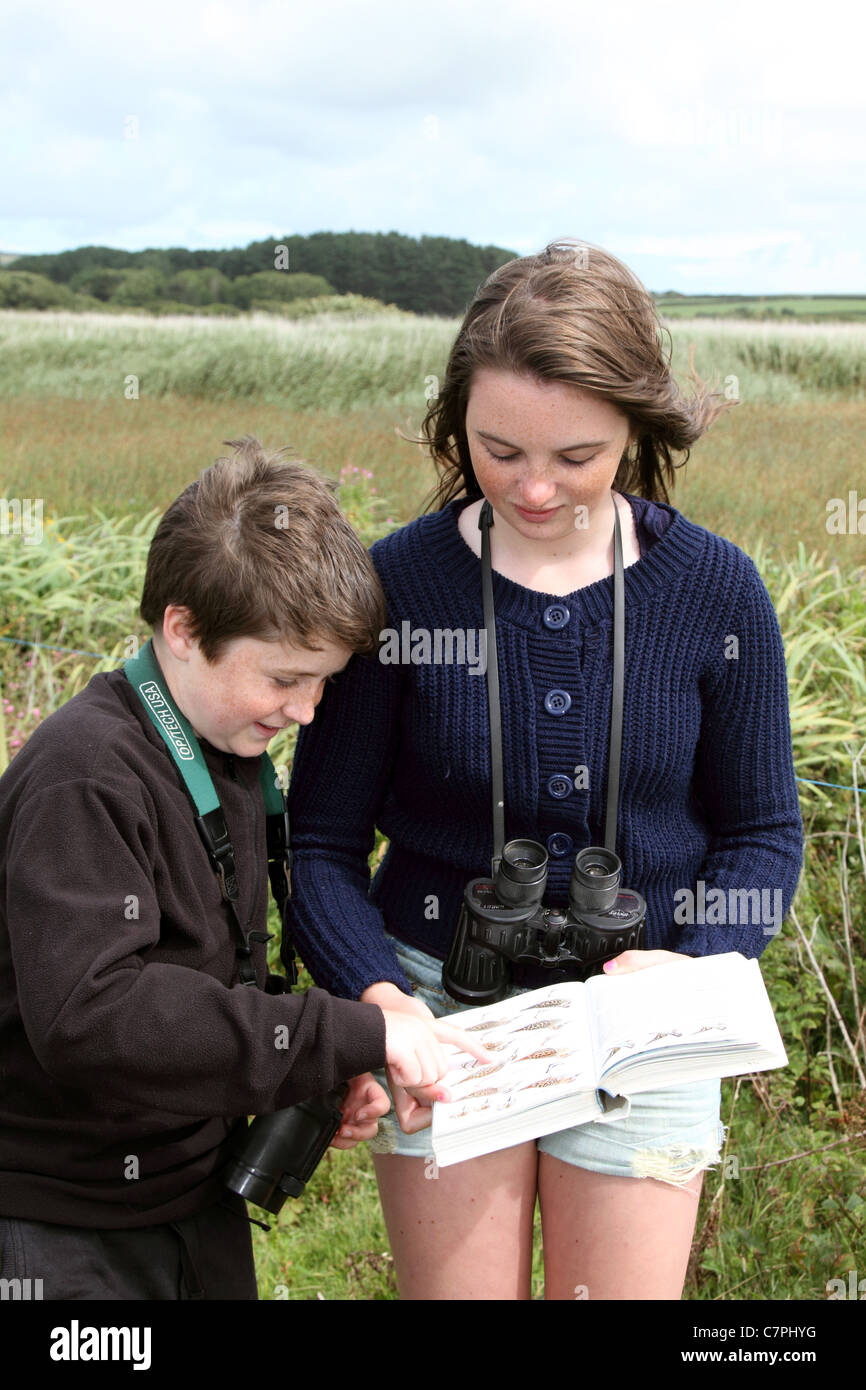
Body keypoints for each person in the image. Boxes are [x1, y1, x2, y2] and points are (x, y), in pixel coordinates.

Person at [286, 240, 805, 1300]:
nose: (531, 487)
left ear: (637, 426)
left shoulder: (715, 591)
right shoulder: (398, 585)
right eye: (496, 448)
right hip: (441, 1013)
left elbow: (764, 833)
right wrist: (378, 997)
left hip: (644, 1027)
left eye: (575, 455)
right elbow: (319, 843)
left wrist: (699, 957)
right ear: (454, 421)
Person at [0, 437, 483, 1300]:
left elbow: (204, 976)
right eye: (286, 679)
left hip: (191, 1204)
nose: (305, 711)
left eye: (324, 682)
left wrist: (317, 1068)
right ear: (183, 628)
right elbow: (94, 1017)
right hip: (60, 1228)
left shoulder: (226, 749)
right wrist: (346, 1032)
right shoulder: (86, 778)